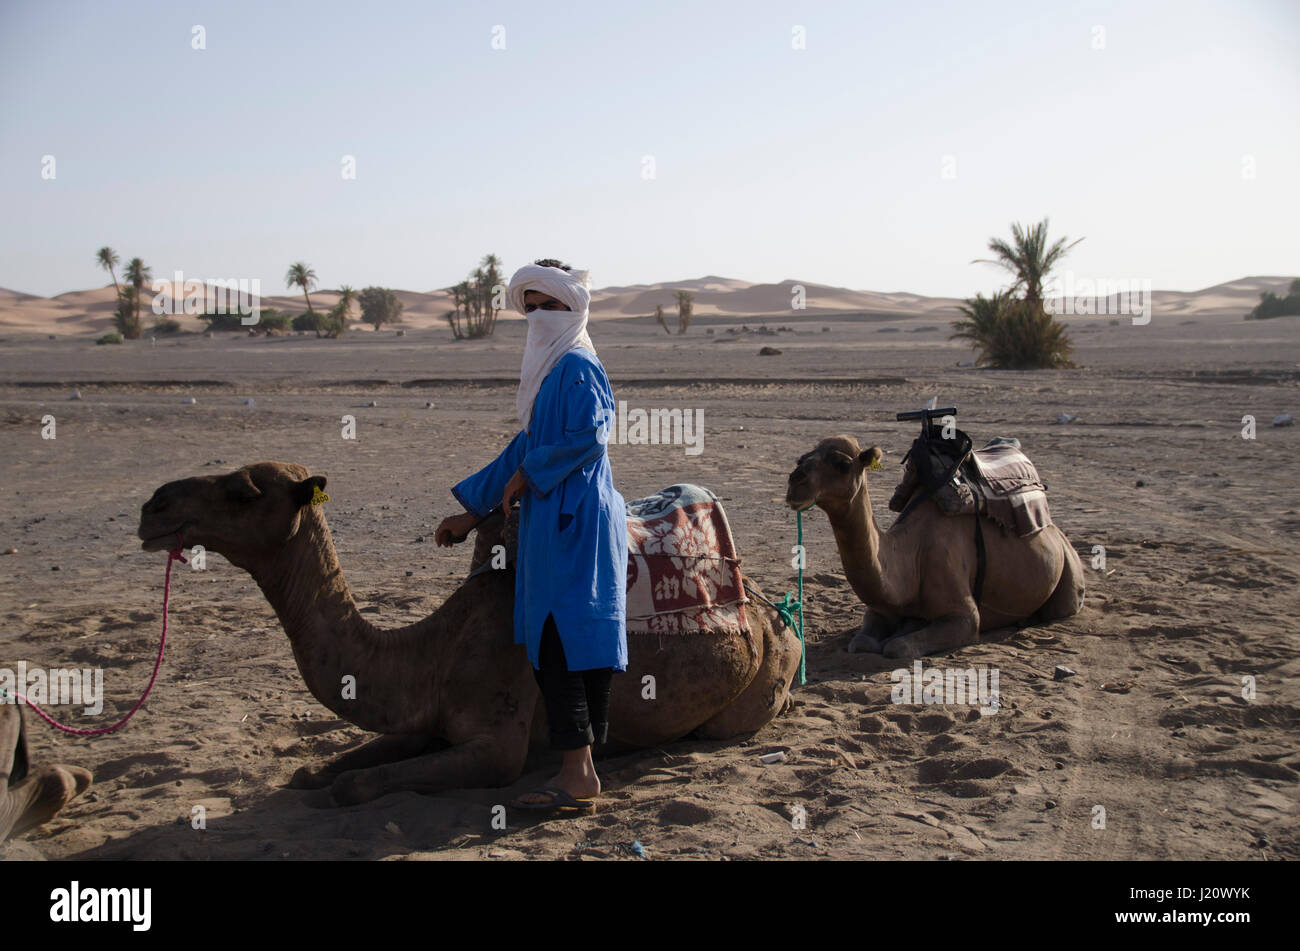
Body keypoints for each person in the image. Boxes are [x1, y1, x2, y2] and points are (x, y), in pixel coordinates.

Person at [435, 258, 627, 813]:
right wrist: (473, 511)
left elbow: (591, 435)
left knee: (562, 641)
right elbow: (521, 450)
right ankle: (581, 769)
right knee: (558, 639)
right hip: (552, 516)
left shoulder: (579, 366)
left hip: (577, 517)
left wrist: (531, 473)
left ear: (574, 306)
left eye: (551, 305)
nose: (539, 316)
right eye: (532, 307)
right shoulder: (551, 373)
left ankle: (576, 774)